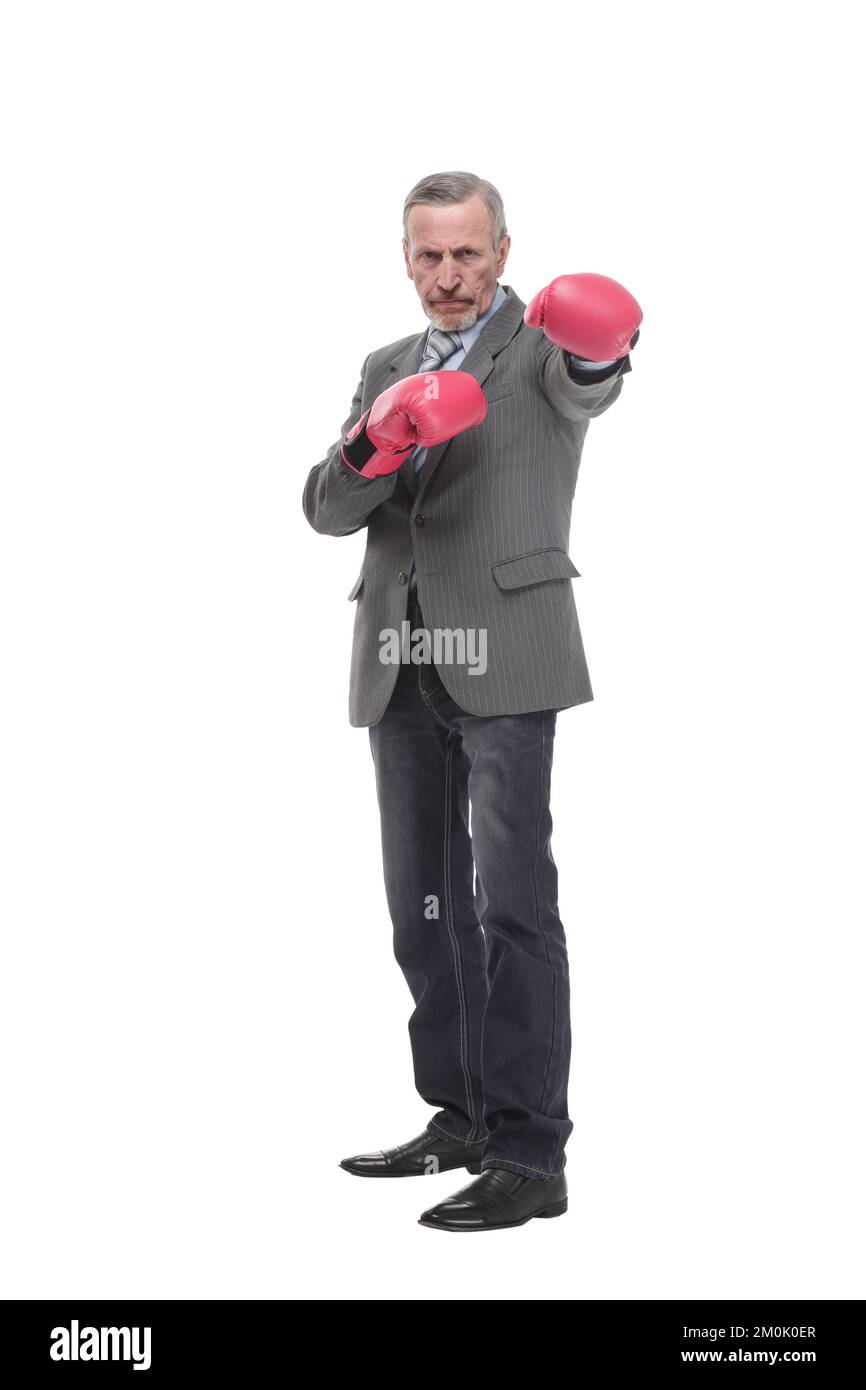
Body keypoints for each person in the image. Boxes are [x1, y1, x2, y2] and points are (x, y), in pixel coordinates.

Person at [302, 171, 641, 1232]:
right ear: (405, 259)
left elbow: (593, 378)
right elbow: (325, 506)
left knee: (509, 906)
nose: (447, 277)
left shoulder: (541, 347)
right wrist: (379, 438)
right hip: (399, 657)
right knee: (426, 906)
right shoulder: (383, 365)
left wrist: (598, 341)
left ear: (501, 250)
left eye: (466, 254)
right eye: (426, 256)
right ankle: (458, 1115)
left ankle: (530, 1153)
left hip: (505, 656)